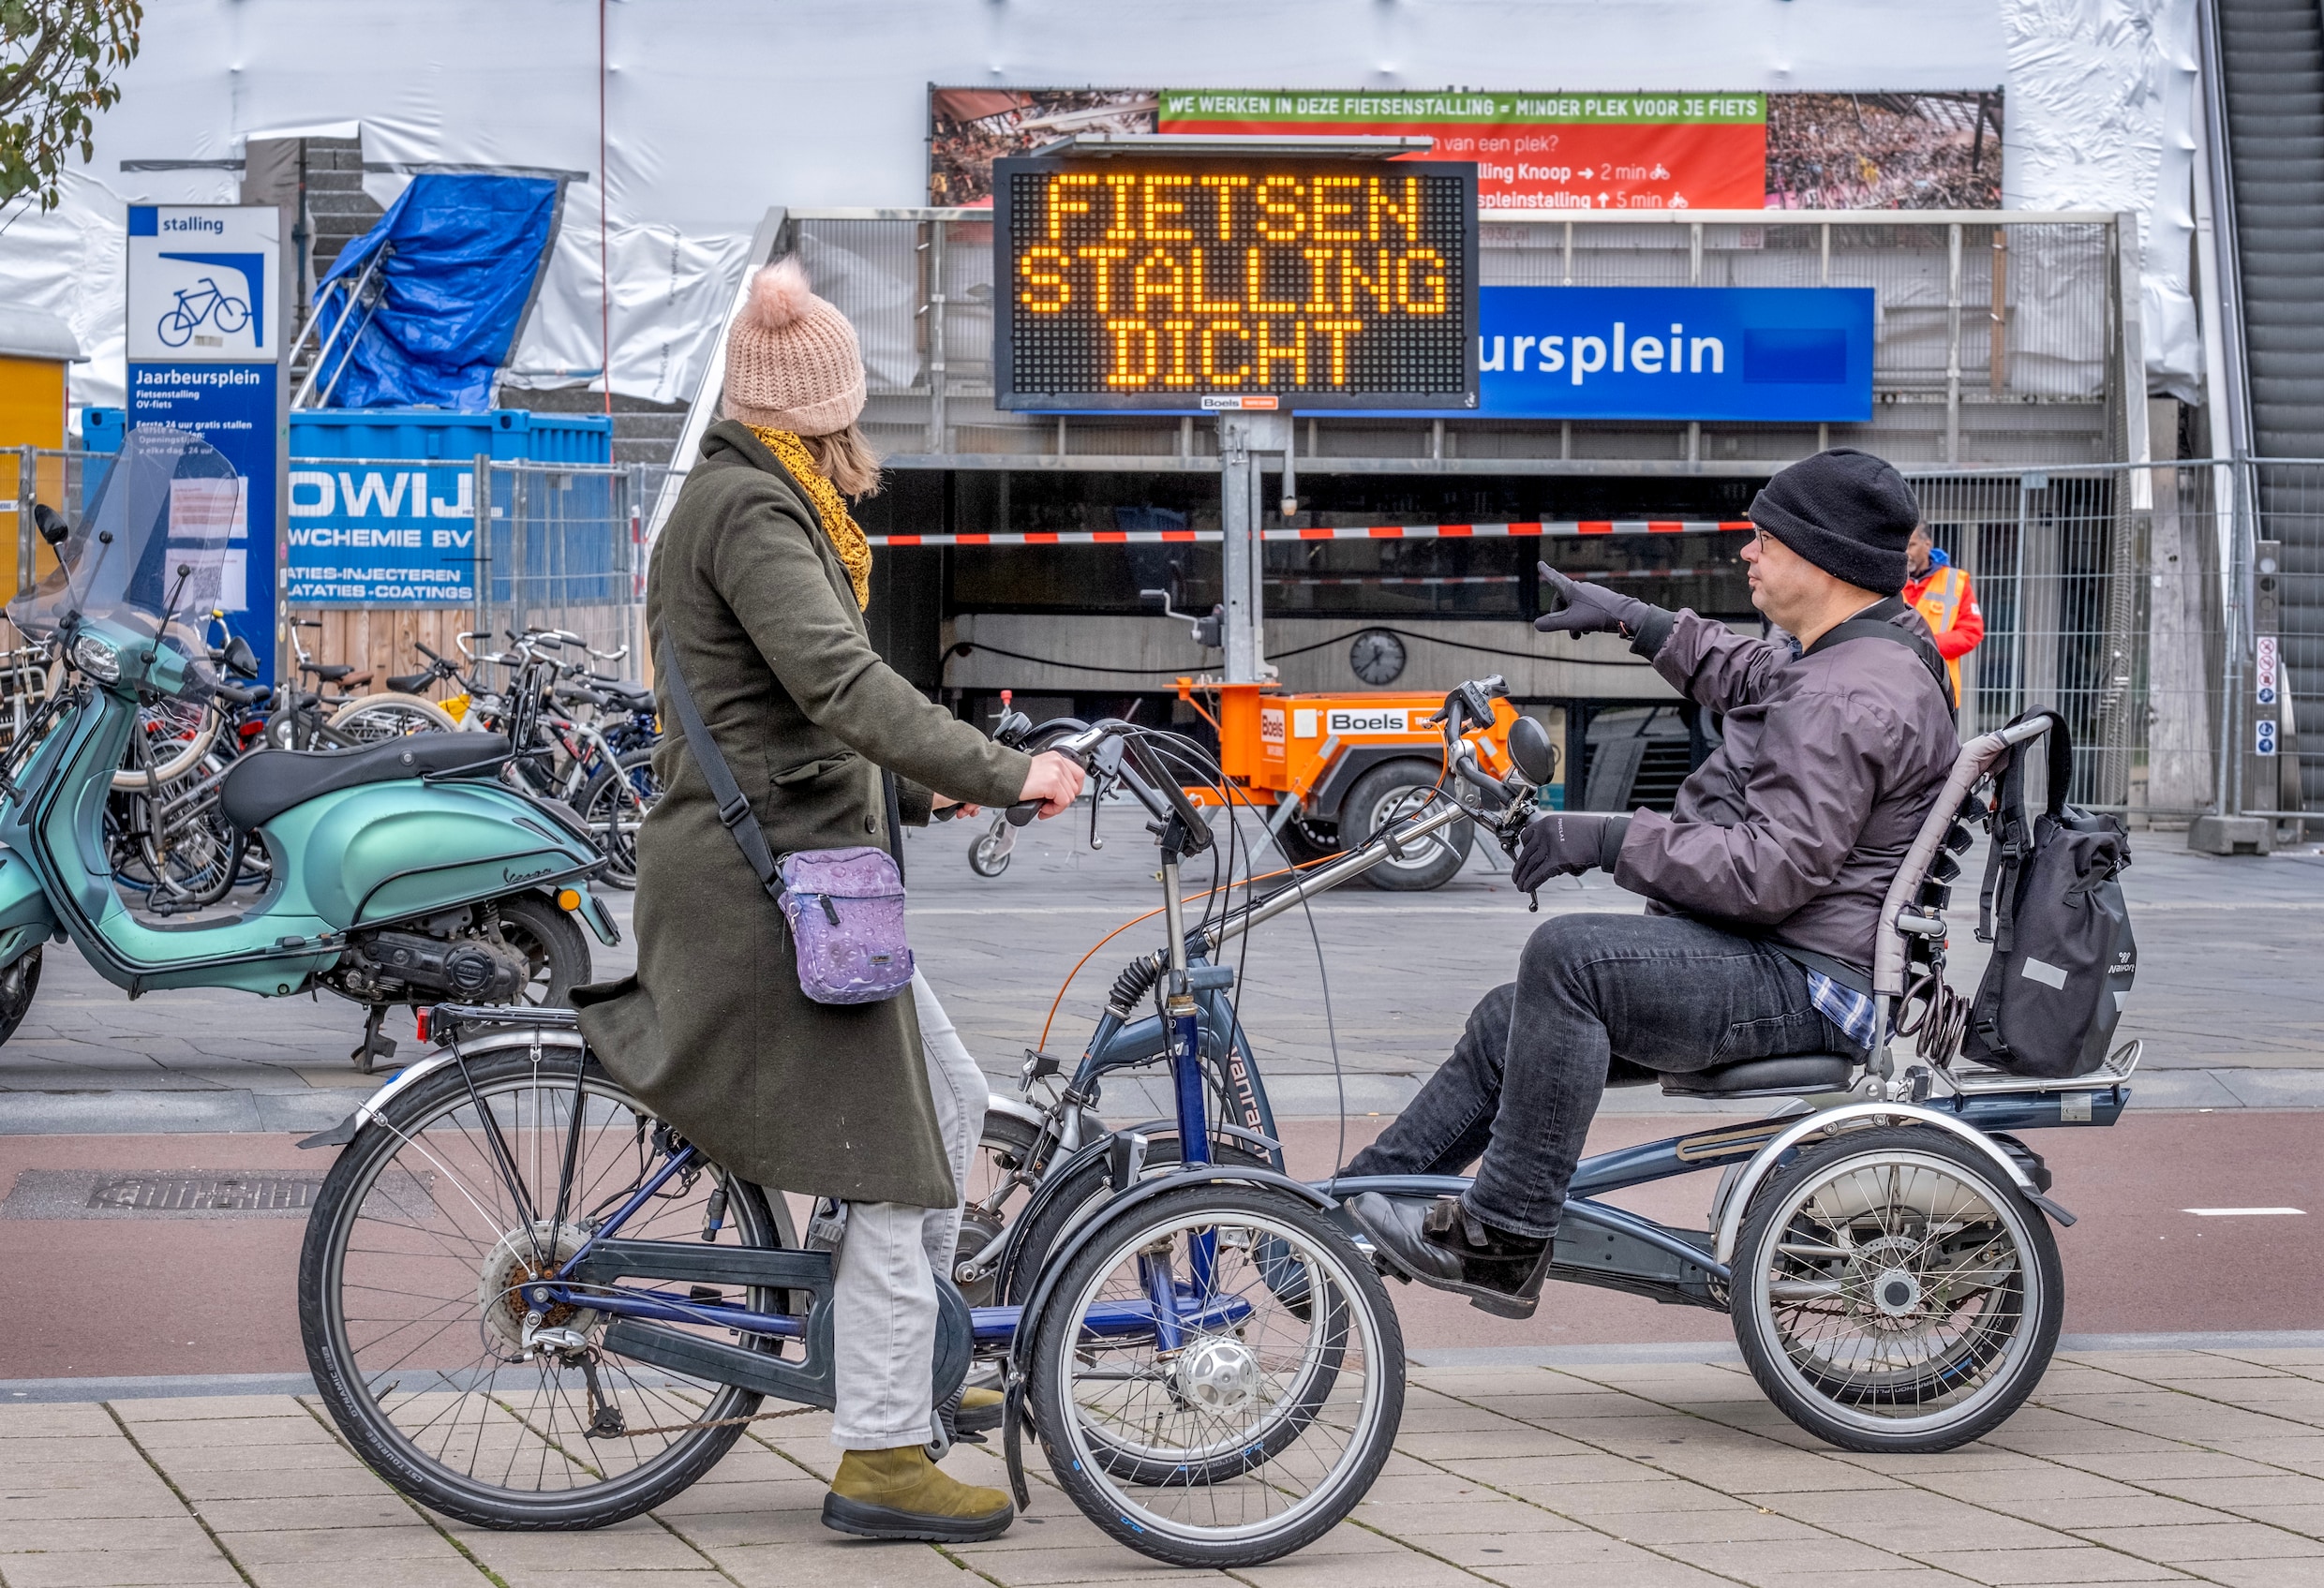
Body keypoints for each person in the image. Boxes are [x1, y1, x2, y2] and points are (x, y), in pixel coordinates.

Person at [575, 259, 1085, 1543]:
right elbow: (838, 687)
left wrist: (932, 789)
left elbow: (780, 720)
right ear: (823, 409)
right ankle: (882, 1454)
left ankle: (904, 1363)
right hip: (767, 904)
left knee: (950, 1108)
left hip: (806, 888)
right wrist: (1003, 767)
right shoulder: (753, 509)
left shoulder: (753, 496)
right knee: (894, 1164)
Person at [1344, 448, 1959, 1317]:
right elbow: (1754, 676)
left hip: (1807, 978)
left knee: (1569, 958)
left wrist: (1604, 837)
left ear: (1822, 560)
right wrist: (1633, 619)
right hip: (1808, 956)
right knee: (1510, 1019)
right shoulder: (1869, 652)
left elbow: (1769, 871)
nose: (1747, 552)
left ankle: (1504, 1238)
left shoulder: (1846, 693)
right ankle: (1342, 1219)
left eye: (1765, 539)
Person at [1902, 519, 1983, 705]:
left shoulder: (1955, 582)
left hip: (1939, 688)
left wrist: (1925, 645)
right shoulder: (1889, 579)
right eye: (1902, 546)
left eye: (1911, 545)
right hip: (1895, 686)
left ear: (1927, 545)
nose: (1905, 553)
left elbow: (1971, 632)